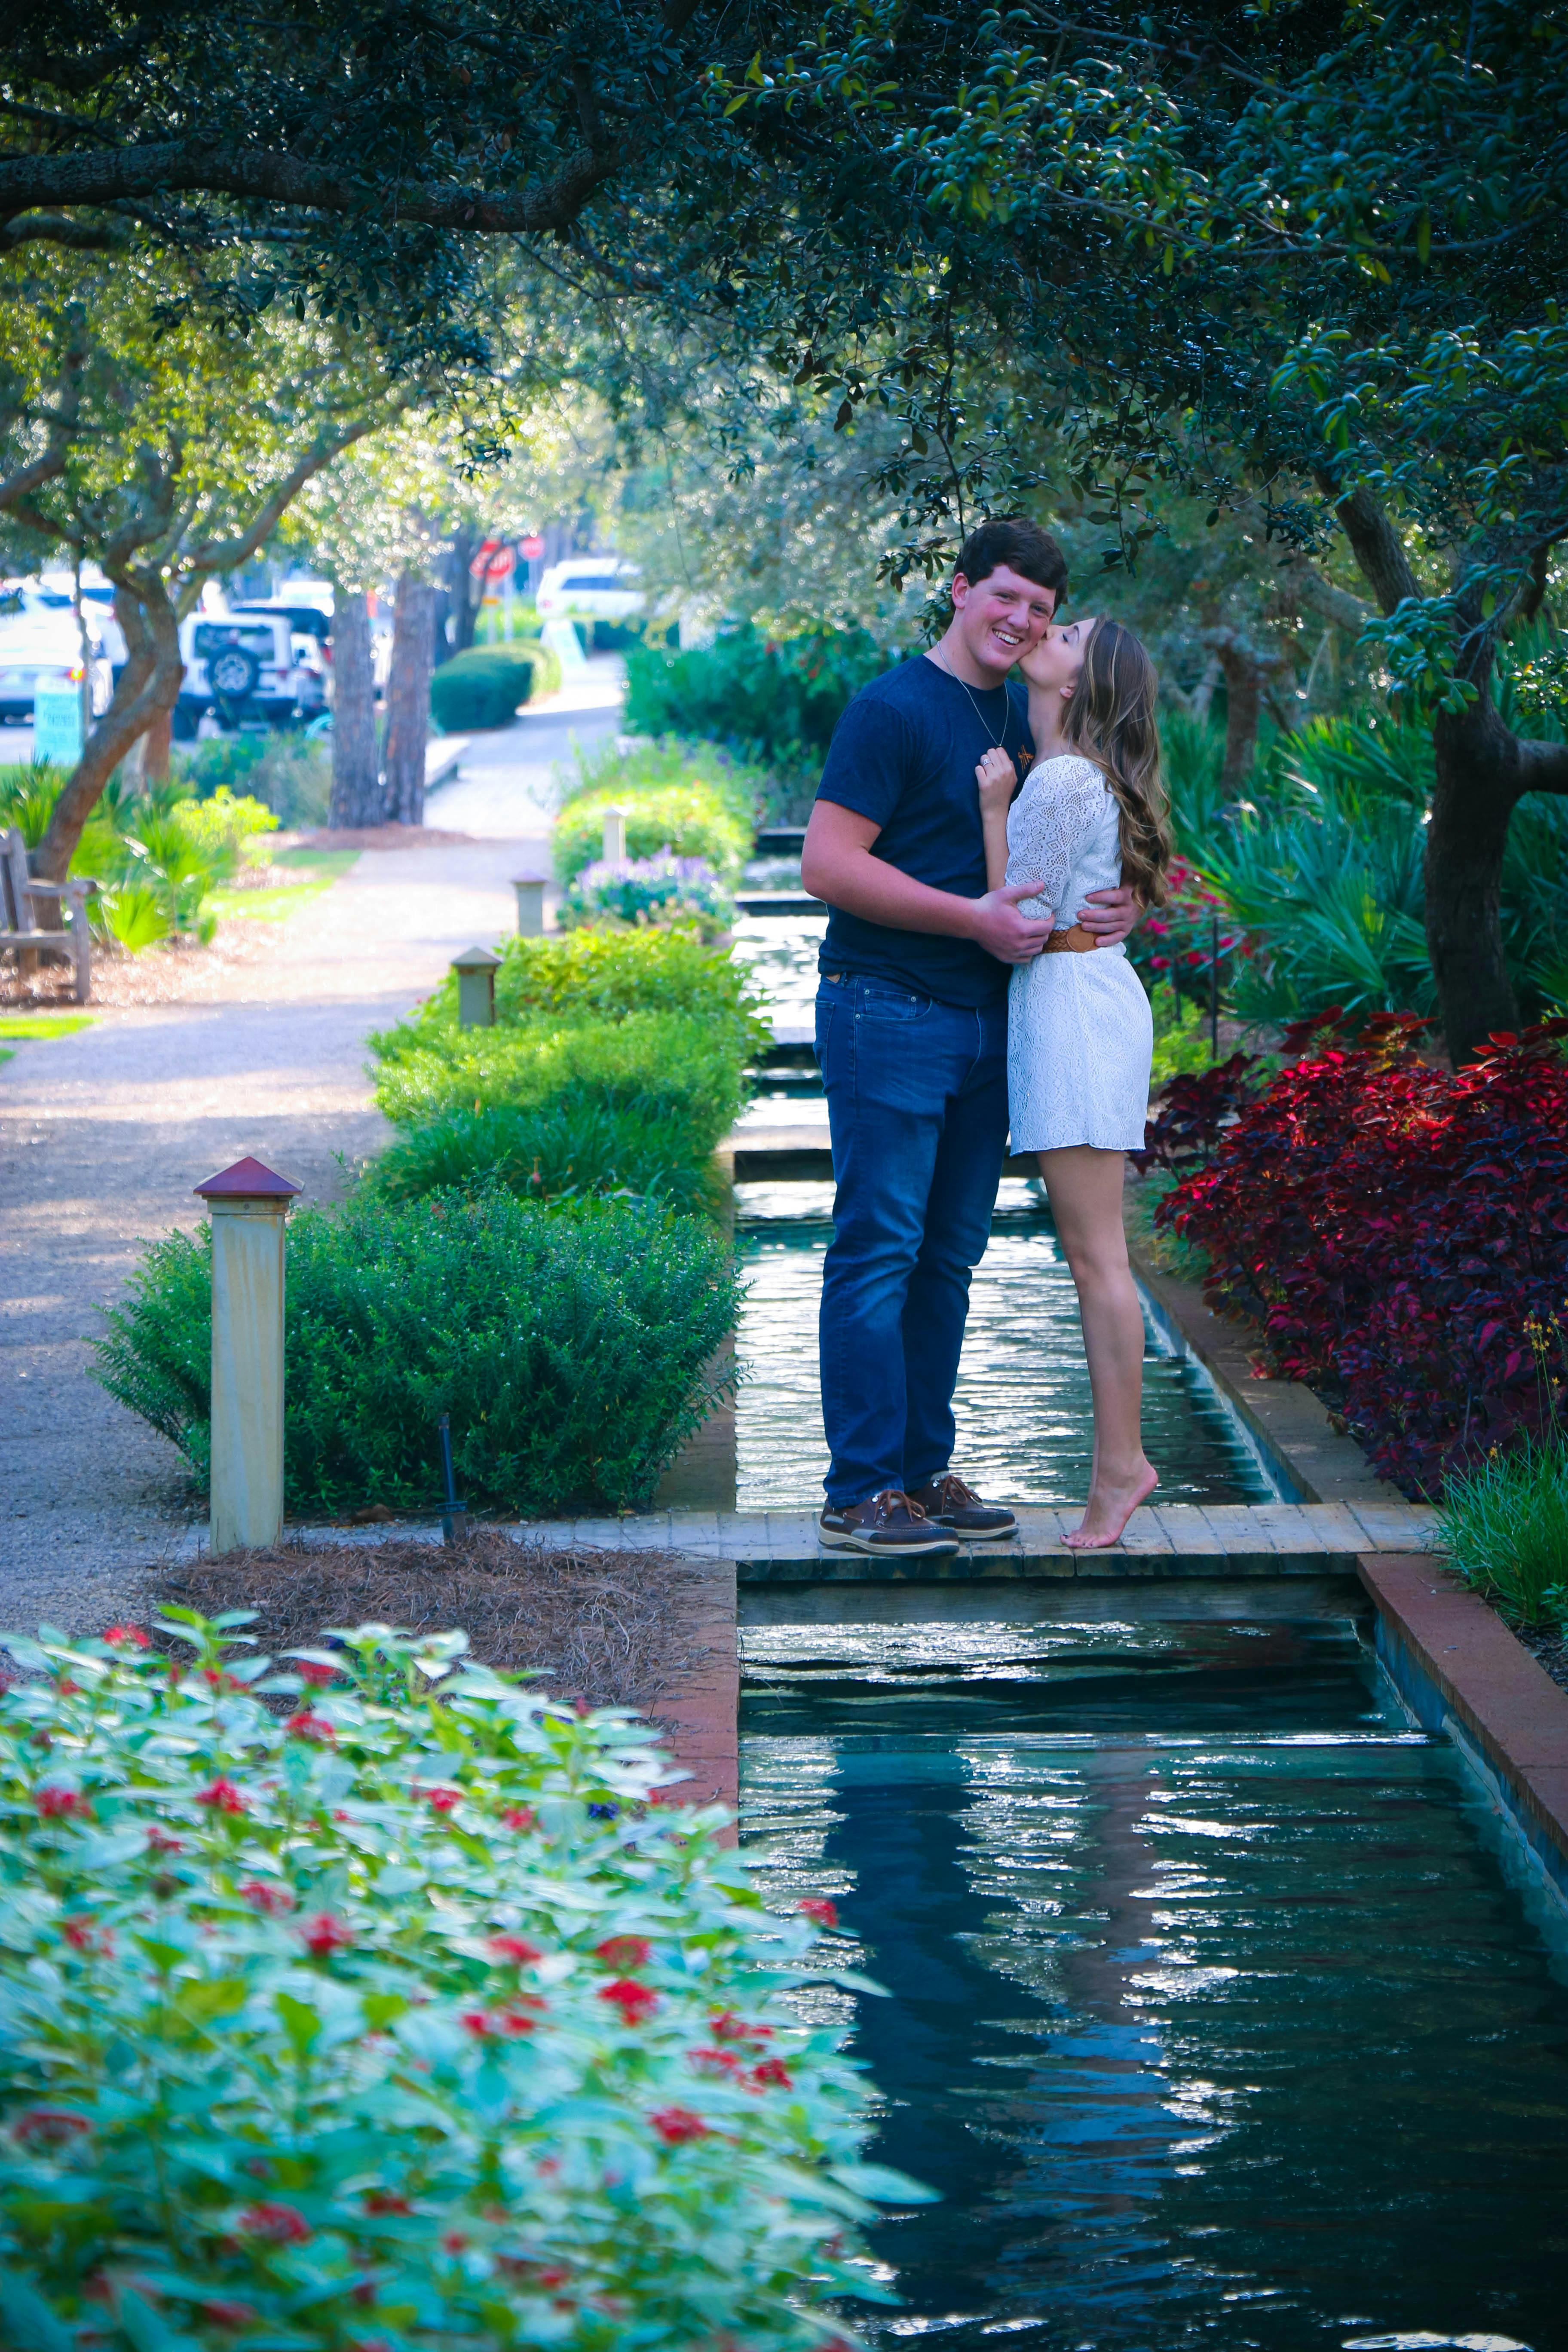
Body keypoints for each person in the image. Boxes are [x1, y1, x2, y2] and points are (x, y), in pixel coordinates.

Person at [800, 519, 1140, 1557]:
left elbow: (1085, 827)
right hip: (889, 1007)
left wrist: (1119, 904)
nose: (1024, 620)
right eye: (1006, 598)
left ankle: (917, 1473)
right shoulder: (895, 707)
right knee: (880, 1250)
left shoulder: (1030, 712)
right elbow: (827, 863)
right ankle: (859, 1490)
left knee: (948, 1258)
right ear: (958, 591)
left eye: (1041, 608)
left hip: (996, 1024)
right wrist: (972, 918)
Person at [975, 613, 1172, 1547]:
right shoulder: (1069, 774)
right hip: (1084, 1000)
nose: (1050, 631)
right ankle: (1120, 1465)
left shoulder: (1055, 780)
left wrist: (990, 812)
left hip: (1074, 1012)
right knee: (1097, 1257)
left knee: (1099, 1260)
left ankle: (1122, 1469)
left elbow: (1016, 917)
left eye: (1070, 633)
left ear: (1077, 683)